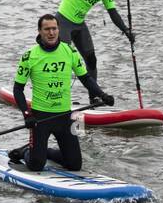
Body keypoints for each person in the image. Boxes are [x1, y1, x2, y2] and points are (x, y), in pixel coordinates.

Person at [9, 14, 115, 171]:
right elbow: (18, 89)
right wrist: (27, 114)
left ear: (58, 30)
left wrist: (102, 95)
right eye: (47, 29)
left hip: (65, 116)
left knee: (74, 165)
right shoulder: (29, 56)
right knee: (36, 165)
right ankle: (26, 152)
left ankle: (45, 152)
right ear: (39, 31)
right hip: (40, 118)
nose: (51, 33)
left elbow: (85, 78)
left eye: (54, 29)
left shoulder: (69, 51)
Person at [57, 0, 134, 91]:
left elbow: (113, 13)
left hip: (80, 24)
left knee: (91, 60)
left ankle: (94, 96)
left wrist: (126, 30)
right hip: (63, 21)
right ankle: (56, 92)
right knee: (64, 60)